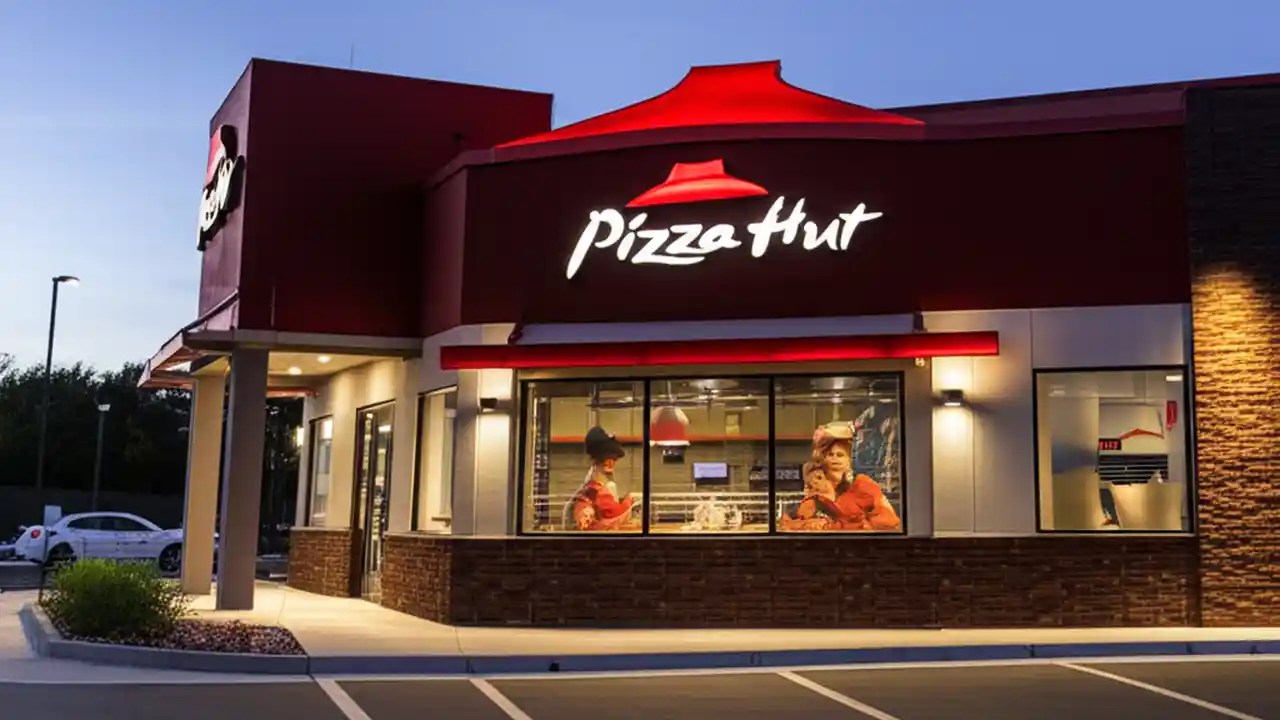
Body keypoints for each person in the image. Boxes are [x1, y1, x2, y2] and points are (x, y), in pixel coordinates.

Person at [813, 420, 902, 531]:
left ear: (849, 460)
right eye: (830, 454)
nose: (834, 458)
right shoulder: (816, 487)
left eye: (840, 455)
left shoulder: (863, 485)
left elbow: (889, 521)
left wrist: (856, 526)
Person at [562, 426, 638, 531]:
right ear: (607, 462)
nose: (613, 463)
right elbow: (613, 514)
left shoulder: (589, 488)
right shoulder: (596, 490)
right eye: (612, 459)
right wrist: (631, 500)